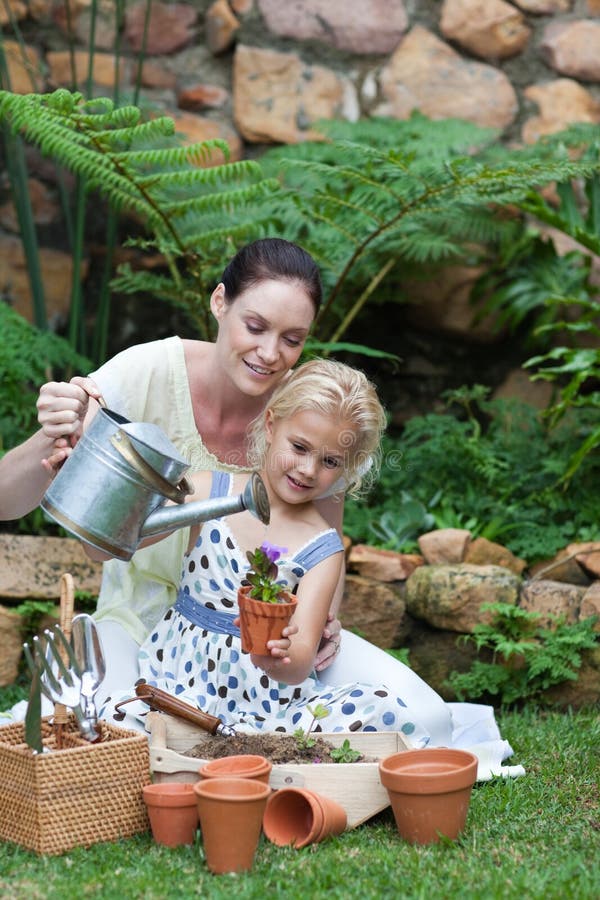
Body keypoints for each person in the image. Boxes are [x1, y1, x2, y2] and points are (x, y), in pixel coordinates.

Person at [91, 358, 430, 746]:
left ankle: (245, 747)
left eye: (330, 461)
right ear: (271, 425)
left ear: (348, 467)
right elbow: (124, 537)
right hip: (177, 682)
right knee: (112, 711)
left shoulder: (322, 548)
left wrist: (278, 658)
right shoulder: (210, 491)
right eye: (299, 447)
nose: (307, 469)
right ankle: (217, 749)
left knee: (381, 706)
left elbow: (301, 661)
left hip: (265, 704)